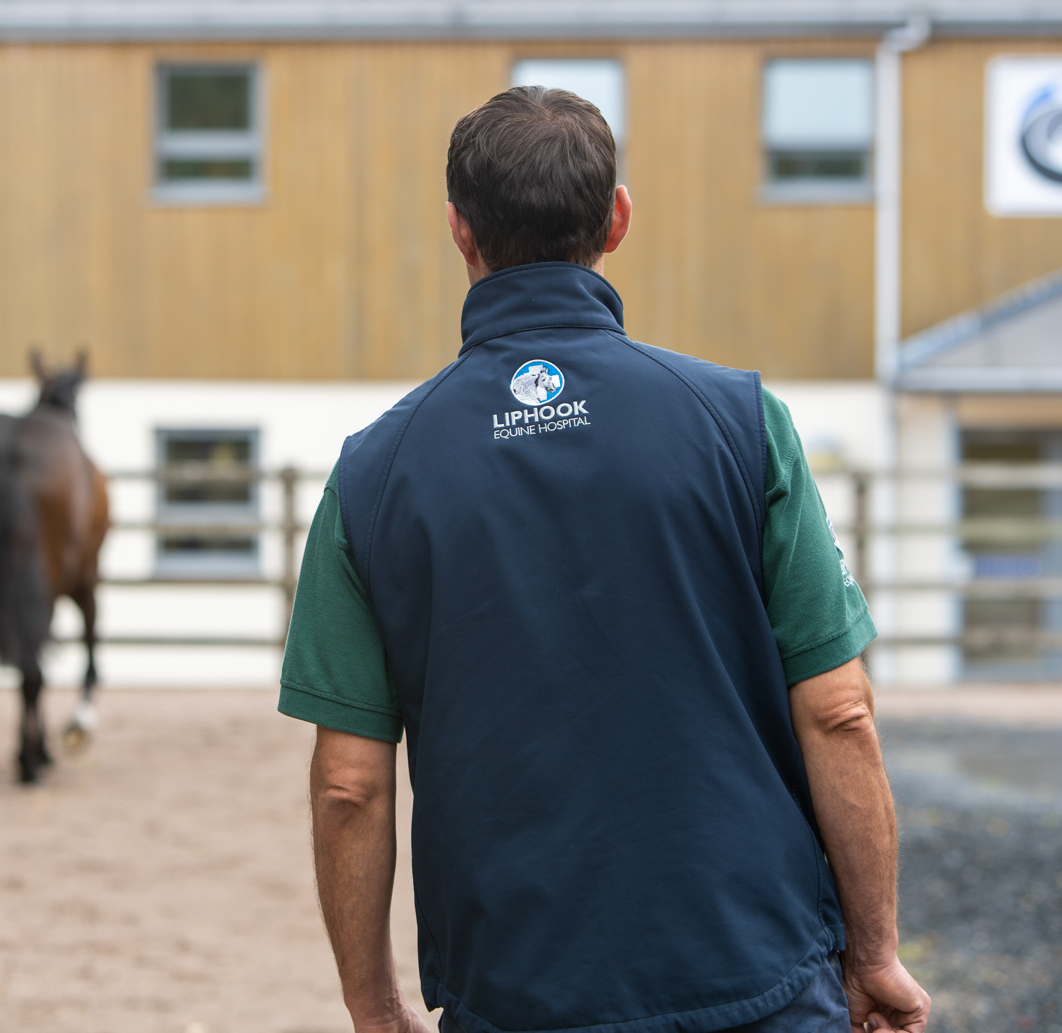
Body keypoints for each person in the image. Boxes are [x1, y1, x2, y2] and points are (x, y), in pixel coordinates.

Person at [278, 87, 931, 1033]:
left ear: (461, 232)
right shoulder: (739, 423)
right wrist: (872, 952)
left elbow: (349, 783)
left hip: (519, 993)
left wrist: (374, 1007)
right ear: (616, 219)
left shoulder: (374, 472)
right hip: (757, 974)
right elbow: (838, 710)